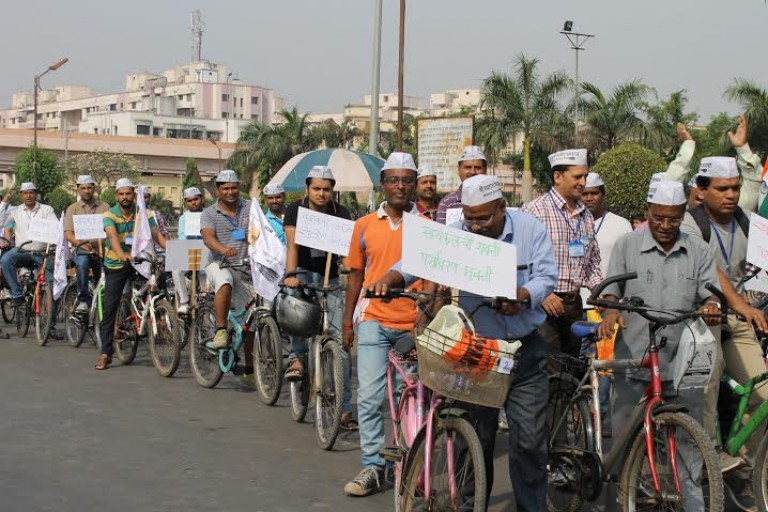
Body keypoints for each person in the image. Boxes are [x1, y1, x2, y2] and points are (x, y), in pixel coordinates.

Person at [371, 174, 557, 510]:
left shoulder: (531, 230)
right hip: (476, 354)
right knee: (471, 440)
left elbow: (546, 276)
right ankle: (470, 505)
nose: (476, 225)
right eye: (470, 218)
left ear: (502, 207)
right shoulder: (458, 234)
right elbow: (417, 261)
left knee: (529, 442)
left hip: (523, 351)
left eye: (484, 217)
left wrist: (523, 295)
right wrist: (390, 278)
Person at [597, 178, 724, 507]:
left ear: (683, 213)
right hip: (634, 359)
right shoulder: (627, 245)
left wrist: (711, 305)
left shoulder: (698, 249)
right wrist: (610, 310)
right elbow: (611, 290)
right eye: (658, 218)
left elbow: (710, 290)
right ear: (647, 212)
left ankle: (693, 504)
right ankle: (624, 500)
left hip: (682, 363)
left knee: (688, 441)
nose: (666, 226)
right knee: (625, 440)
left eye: (674, 218)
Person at [680, 156, 768, 468]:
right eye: (722, 188)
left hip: (738, 317)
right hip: (700, 317)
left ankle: (754, 464)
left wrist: (744, 306)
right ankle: (707, 457)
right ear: (701, 192)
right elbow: (711, 270)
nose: (731, 195)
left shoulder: (747, 221)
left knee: (763, 392)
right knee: (707, 385)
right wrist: (741, 304)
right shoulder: (689, 223)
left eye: (734, 188)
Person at [342, 152, 421, 497]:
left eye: (407, 180)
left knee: (412, 402)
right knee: (370, 396)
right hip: (373, 319)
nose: (400, 186)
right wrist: (347, 322)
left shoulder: (429, 227)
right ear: (383, 184)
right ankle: (374, 465)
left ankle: (410, 466)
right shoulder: (363, 225)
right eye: (393, 179)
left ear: (415, 184)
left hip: (414, 324)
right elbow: (356, 276)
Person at [282, 166, 355, 429]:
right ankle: (297, 357)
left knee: (340, 343)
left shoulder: (342, 213)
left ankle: (344, 409)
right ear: (307, 189)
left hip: (331, 277)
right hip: (301, 272)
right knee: (297, 310)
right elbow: (293, 246)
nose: (322, 194)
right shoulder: (295, 210)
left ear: (332, 191)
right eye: (317, 189)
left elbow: (347, 252)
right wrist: (291, 274)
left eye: (326, 189)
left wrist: (348, 265)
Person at [522, 149, 601, 364]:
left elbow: (592, 263)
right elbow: (520, 261)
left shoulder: (585, 215)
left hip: (573, 307)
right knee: (549, 372)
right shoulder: (535, 211)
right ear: (558, 176)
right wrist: (542, 293)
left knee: (571, 372)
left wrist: (603, 293)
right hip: (543, 307)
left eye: (585, 176)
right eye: (577, 177)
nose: (583, 182)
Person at [96, 179, 167, 370]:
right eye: (121, 194)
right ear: (116, 196)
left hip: (141, 261)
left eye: (128, 193)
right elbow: (112, 237)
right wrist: (123, 254)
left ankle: (160, 316)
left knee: (160, 282)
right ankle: (105, 353)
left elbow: (158, 236)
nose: (125, 197)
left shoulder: (144, 213)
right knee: (110, 307)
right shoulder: (109, 214)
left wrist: (176, 250)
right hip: (117, 263)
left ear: (134, 196)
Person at [200, 170, 256, 384]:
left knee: (252, 320)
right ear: (218, 190)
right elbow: (207, 238)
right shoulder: (209, 213)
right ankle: (221, 330)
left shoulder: (251, 207)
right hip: (219, 263)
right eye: (226, 188)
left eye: (234, 187)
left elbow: (261, 229)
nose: (230, 192)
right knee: (224, 281)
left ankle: (250, 368)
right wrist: (222, 249)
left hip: (246, 268)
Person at [1, 182, 62, 340]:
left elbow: (55, 227)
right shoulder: (15, 211)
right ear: (21, 195)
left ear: (36, 194)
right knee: (6, 259)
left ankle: (51, 325)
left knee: (51, 285)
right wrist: (7, 240)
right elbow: (7, 227)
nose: (29, 195)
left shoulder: (46, 210)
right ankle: (16, 294)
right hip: (22, 250)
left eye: (31, 193)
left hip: (43, 252)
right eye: (25, 193)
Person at [64, 175, 109, 312]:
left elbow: (110, 230)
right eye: (83, 188)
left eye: (89, 188)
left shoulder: (105, 207)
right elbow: (69, 235)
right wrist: (83, 245)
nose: (86, 191)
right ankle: (83, 299)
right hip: (80, 249)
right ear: (78, 190)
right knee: (82, 262)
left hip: (101, 249)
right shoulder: (73, 208)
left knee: (109, 270)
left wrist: (102, 243)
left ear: (94, 189)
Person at [581, 172, 632, 278]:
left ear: (603, 195)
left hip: (609, 292)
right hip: (576, 293)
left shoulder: (621, 225)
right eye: (584, 194)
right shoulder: (571, 224)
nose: (589, 198)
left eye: (594, 193)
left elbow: (631, 264)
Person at [435, 145, 488, 224]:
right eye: (468, 167)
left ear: (485, 171)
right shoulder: (447, 203)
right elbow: (440, 233)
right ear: (459, 170)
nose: (472, 172)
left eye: (477, 168)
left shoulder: (497, 201)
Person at [172, 186, 204, 315]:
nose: (193, 202)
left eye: (196, 199)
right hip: (190, 251)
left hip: (208, 252)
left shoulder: (209, 214)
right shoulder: (183, 218)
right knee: (176, 268)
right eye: (190, 200)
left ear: (201, 199)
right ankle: (184, 302)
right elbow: (182, 237)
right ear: (186, 202)